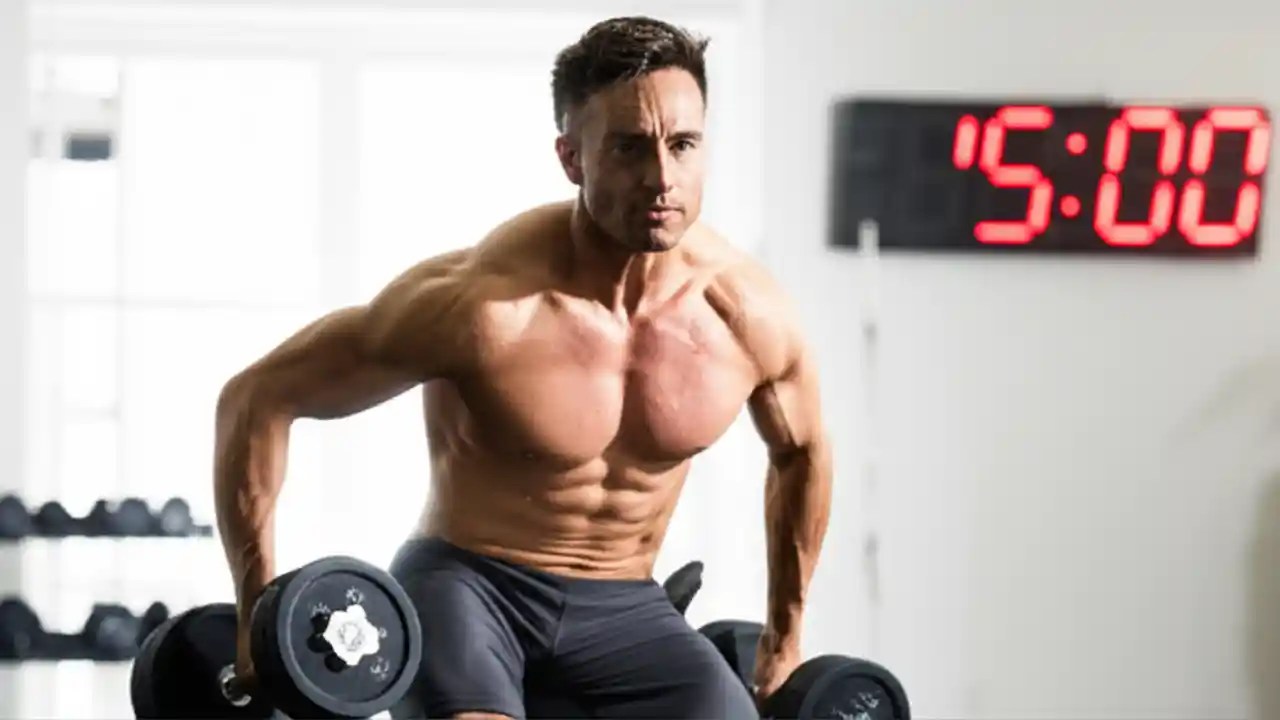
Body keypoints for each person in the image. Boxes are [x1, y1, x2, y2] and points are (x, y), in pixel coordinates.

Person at [213, 15, 832, 720]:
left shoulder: (746, 317)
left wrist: (786, 638)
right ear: (571, 158)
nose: (663, 177)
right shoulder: (484, 308)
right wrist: (254, 613)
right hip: (467, 586)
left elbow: (802, 451)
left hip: (626, 604)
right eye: (629, 148)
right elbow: (258, 398)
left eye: (683, 144)